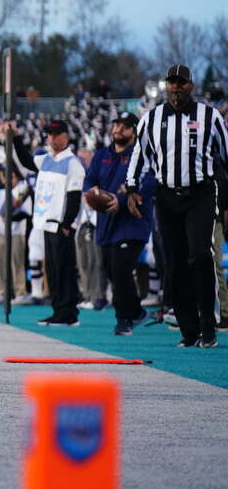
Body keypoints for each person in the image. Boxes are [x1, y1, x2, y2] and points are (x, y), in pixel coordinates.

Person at [126, 64, 228, 347]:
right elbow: (140, 155)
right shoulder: (152, 118)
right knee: (175, 263)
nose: (176, 87)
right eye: (172, 82)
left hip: (201, 193)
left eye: (181, 83)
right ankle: (189, 330)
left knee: (200, 255)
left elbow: (226, 154)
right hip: (167, 195)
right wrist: (132, 188)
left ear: (191, 86)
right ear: (166, 85)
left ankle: (209, 326)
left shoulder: (210, 117)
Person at [4, 119, 86, 327]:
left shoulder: (72, 163)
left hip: (60, 224)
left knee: (63, 269)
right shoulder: (46, 158)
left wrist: (67, 224)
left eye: (56, 134)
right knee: (52, 269)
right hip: (45, 222)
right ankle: (58, 310)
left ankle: (68, 313)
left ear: (66, 136)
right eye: (49, 134)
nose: (51, 138)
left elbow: (74, 197)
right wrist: (16, 138)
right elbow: (26, 161)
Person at [85, 112, 155, 336]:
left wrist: (122, 200)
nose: (118, 129)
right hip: (107, 222)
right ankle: (136, 310)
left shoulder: (142, 155)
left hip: (132, 222)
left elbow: (149, 183)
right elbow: (89, 180)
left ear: (134, 131)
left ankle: (123, 318)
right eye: (116, 124)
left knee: (121, 268)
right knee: (111, 270)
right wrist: (93, 193)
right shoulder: (101, 155)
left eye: (125, 126)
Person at [0, 166, 31, 305]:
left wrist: (10, 216)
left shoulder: (21, 190)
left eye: (12, 177)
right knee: (1, 263)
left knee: (17, 262)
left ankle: (20, 291)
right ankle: (3, 291)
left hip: (16, 232)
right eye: (5, 176)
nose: (8, 180)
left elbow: (25, 212)